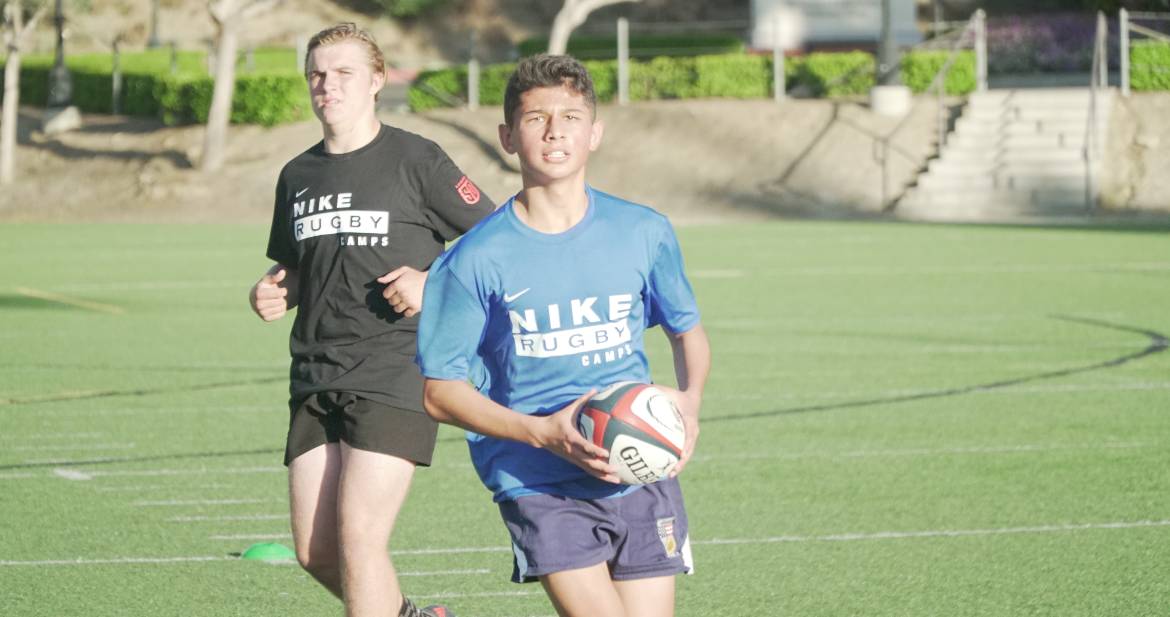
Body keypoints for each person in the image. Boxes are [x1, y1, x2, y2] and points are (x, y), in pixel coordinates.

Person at [416, 54, 711, 617]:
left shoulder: (643, 231)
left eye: (571, 116)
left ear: (594, 132)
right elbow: (439, 392)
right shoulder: (474, 260)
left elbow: (686, 330)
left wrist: (689, 405)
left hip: (642, 469)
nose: (555, 130)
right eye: (535, 118)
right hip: (539, 480)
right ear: (507, 136)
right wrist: (542, 432)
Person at [248, 23, 494, 617]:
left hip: (395, 368)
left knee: (359, 543)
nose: (326, 86)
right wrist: (275, 288)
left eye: (343, 73)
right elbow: (299, 266)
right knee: (316, 552)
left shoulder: (417, 159)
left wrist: (431, 281)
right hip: (314, 370)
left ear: (377, 80)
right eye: (317, 74)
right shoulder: (297, 176)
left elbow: (497, 241)